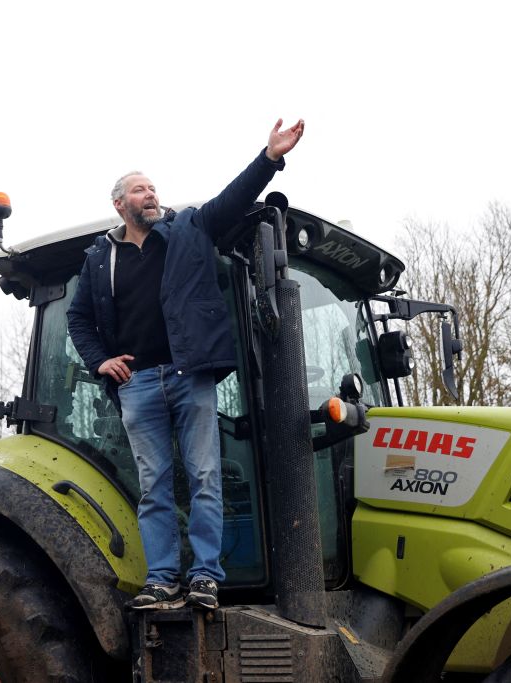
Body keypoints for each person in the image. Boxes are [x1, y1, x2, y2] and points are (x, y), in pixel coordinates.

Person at [67, 119, 305, 610]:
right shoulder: (99, 260)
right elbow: (78, 317)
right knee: (153, 486)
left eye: (153, 188)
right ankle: (162, 579)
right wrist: (100, 360)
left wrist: (269, 158)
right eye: (140, 189)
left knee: (205, 478)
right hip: (137, 385)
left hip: (188, 375)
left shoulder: (190, 228)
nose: (150, 194)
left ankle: (204, 577)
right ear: (120, 204)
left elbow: (232, 200)